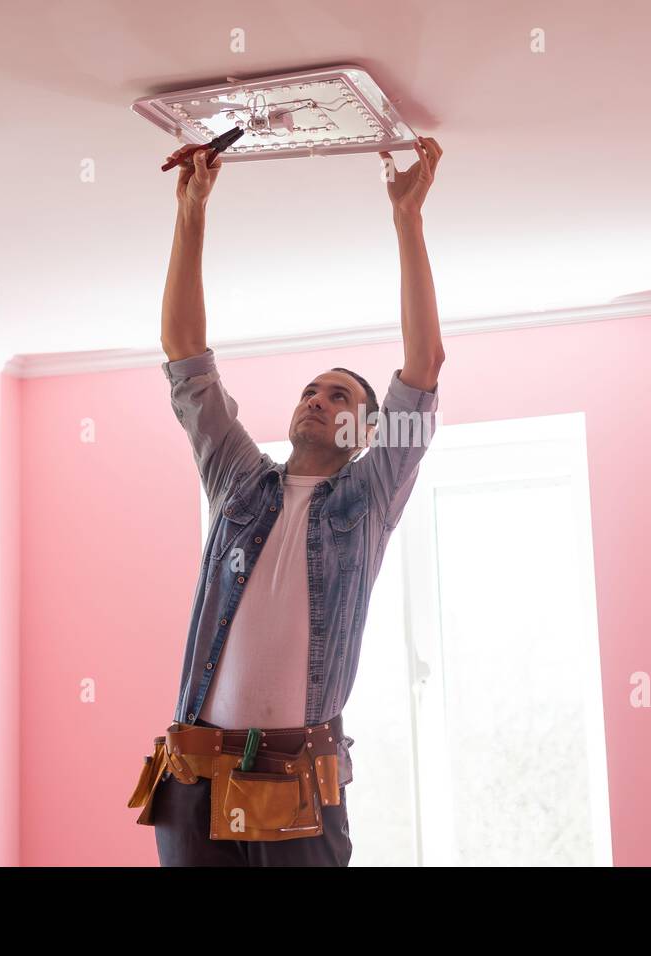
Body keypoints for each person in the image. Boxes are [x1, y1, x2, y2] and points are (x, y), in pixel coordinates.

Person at [149, 136, 445, 865]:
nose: (316, 399)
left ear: (370, 430)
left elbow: (425, 366)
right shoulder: (238, 480)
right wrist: (191, 210)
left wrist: (407, 218)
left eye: (338, 394)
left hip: (301, 782)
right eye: (310, 390)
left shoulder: (370, 497)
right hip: (194, 775)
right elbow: (186, 356)